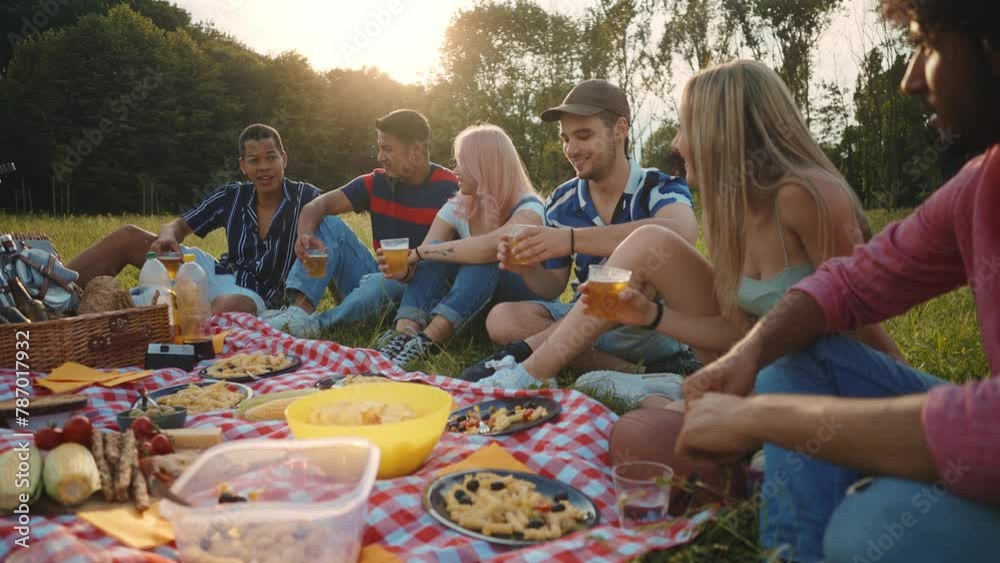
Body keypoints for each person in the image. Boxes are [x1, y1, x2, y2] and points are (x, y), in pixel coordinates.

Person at [673, 2, 1000, 561]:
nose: (910, 79)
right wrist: (747, 356)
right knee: (795, 356)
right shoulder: (982, 182)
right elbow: (846, 285)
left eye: (931, 44)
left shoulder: (804, 195)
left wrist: (758, 416)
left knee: (867, 528)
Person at [563, 60, 902, 409]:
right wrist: (650, 315)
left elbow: (862, 326)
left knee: (660, 435)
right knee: (639, 433)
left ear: (722, 131)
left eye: (684, 127)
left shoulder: (808, 197)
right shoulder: (722, 213)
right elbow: (739, 334)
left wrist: (903, 408)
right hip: (759, 383)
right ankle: (681, 397)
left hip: (824, 396)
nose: (677, 143)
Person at [463, 79, 701, 388]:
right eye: (566, 138)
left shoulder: (659, 187)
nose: (572, 149)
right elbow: (551, 288)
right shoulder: (562, 200)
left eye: (584, 135)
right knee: (502, 319)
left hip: (649, 324)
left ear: (620, 129)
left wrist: (570, 239)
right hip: (584, 321)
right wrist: (527, 267)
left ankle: (529, 357)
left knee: (620, 289)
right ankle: (633, 373)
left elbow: (681, 232)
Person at [67, 124, 319, 315]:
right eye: (254, 160)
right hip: (213, 271)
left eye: (271, 157)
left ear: (284, 159)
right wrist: (167, 238)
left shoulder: (306, 197)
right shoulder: (231, 195)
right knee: (128, 237)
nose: (264, 167)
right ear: (243, 165)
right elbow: (178, 225)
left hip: (256, 295)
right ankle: (49, 291)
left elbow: (335, 244)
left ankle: (136, 312)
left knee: (226, 305)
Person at [262, 109, 458, 338]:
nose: (380, 157)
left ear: (415, 151)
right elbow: (317, 206)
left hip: (419, 292)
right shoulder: (378, 181)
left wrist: (409, 270)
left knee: (380, 285)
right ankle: (298, 313)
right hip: (382, 275)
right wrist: (305, 236)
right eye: (379, 148)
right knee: (329, 224)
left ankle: (316, 326)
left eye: (387, 149)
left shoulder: (450, 188)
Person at [369, 124, 545, 367]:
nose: (455, 170)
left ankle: (427, 343)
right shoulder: (459, 204)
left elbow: (492, 247)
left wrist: (421, 252)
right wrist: (406, 271)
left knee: (483, 257)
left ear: (483, 165)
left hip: (516, 307)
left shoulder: (529, 208)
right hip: (472, 305)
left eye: (462, 162)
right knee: (440, 253)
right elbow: (429, 256)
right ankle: (404, 335)